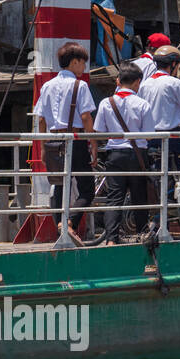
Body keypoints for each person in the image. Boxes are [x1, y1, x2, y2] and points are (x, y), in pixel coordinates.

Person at [33, 42, 98, 241]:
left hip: (53, 141)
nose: (84, 67)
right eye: (82, 63)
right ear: (75, 61)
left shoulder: (47, 85)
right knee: (87, 188)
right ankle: (69, 222)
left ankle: (62, 225)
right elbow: (86, 117)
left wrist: (43, 147)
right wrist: (93, 144)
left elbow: (41, 119)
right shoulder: (81, 85)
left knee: (60, 185)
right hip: (75, 140)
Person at [93, 62, 153, 242]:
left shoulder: (106, 102)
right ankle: (142, 234)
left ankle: (111, 238)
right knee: (139, 196)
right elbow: (149, 136)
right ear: (137, 82)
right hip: (138, 155)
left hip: (115, 154)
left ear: (119, 81)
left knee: (114, 198)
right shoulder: (142, 104)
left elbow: (99, 131)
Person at [138, 44, 180, 169]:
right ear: (173, 64)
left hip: (150, 136)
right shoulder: (173, 83)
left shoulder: (145, 84)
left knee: (157, 171)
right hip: (172, 136)